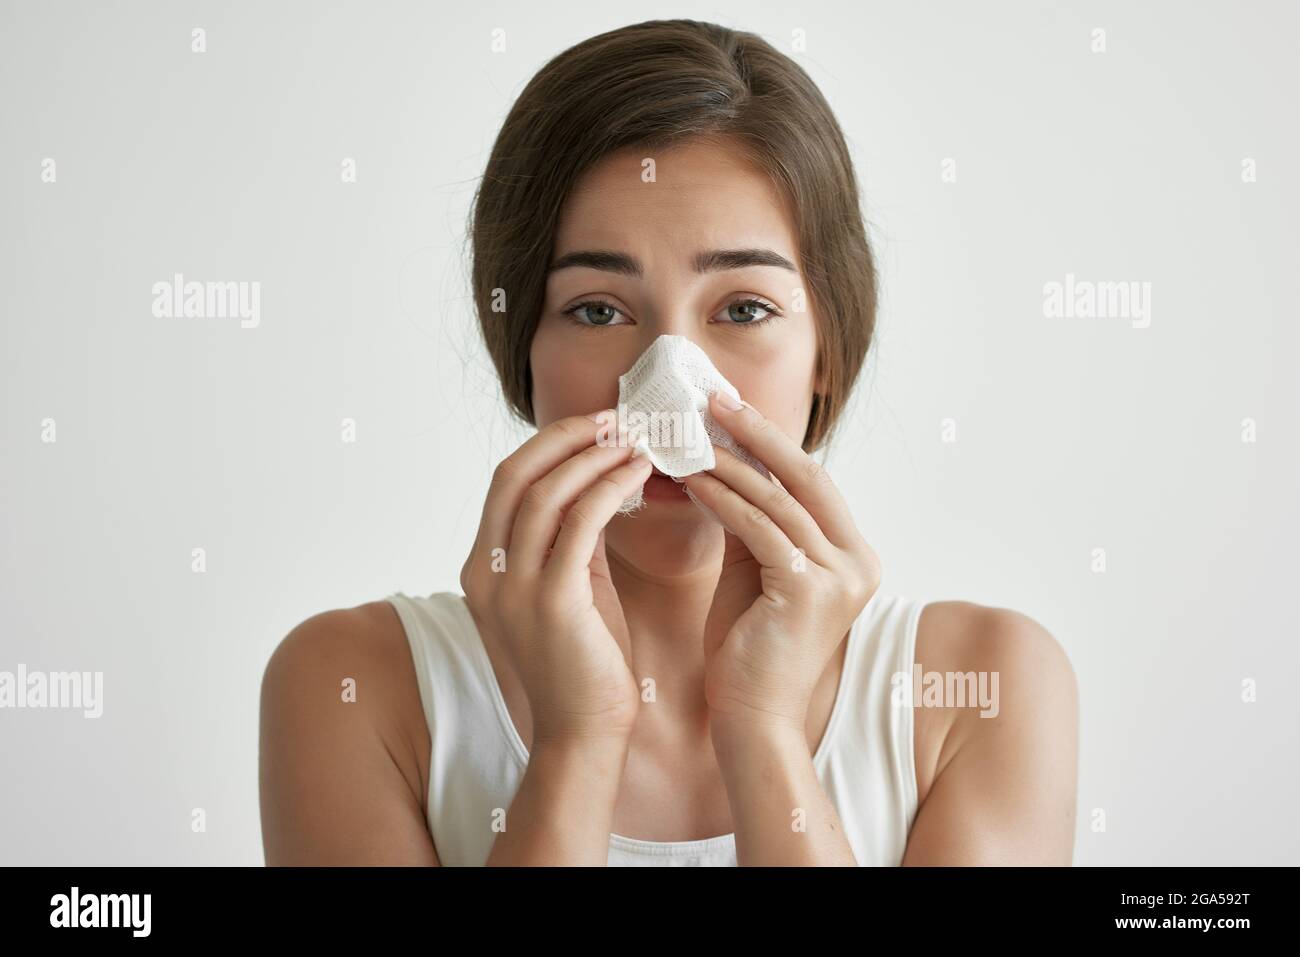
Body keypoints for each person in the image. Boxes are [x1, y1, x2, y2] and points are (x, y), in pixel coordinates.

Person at [259, 18, 1078, 866]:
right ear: (522, 351)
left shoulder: (985, 686)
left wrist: (760, 729)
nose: (670, 385)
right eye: (598, 310)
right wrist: (579, 737)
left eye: (744, 308)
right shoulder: (351, 684)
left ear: (827, 351)